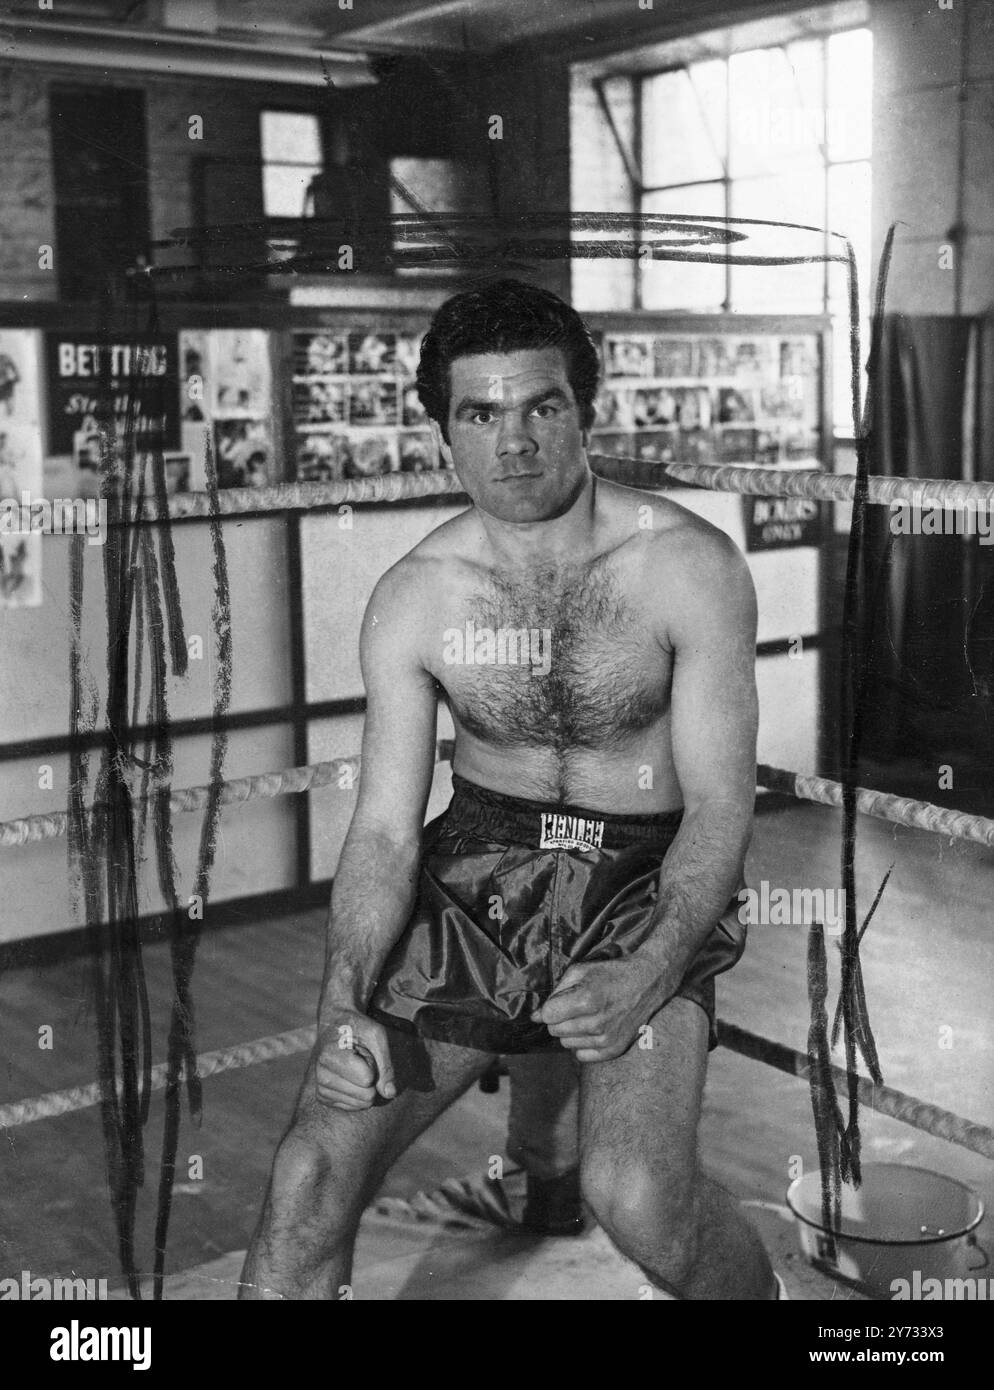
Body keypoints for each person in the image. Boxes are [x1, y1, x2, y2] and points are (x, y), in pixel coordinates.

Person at [242, 279, 776, 1300]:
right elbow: (389, 832)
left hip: (639, 878)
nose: (513, 441)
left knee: (640, 1196)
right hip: (477, 876)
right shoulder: (415, 596)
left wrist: (653, 967)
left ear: (586, 406)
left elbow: (718, 807)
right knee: (307, 1175)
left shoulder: (689, 568)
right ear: (442, 428)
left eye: (541, 406)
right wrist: (340, 1009)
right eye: (479, 413)